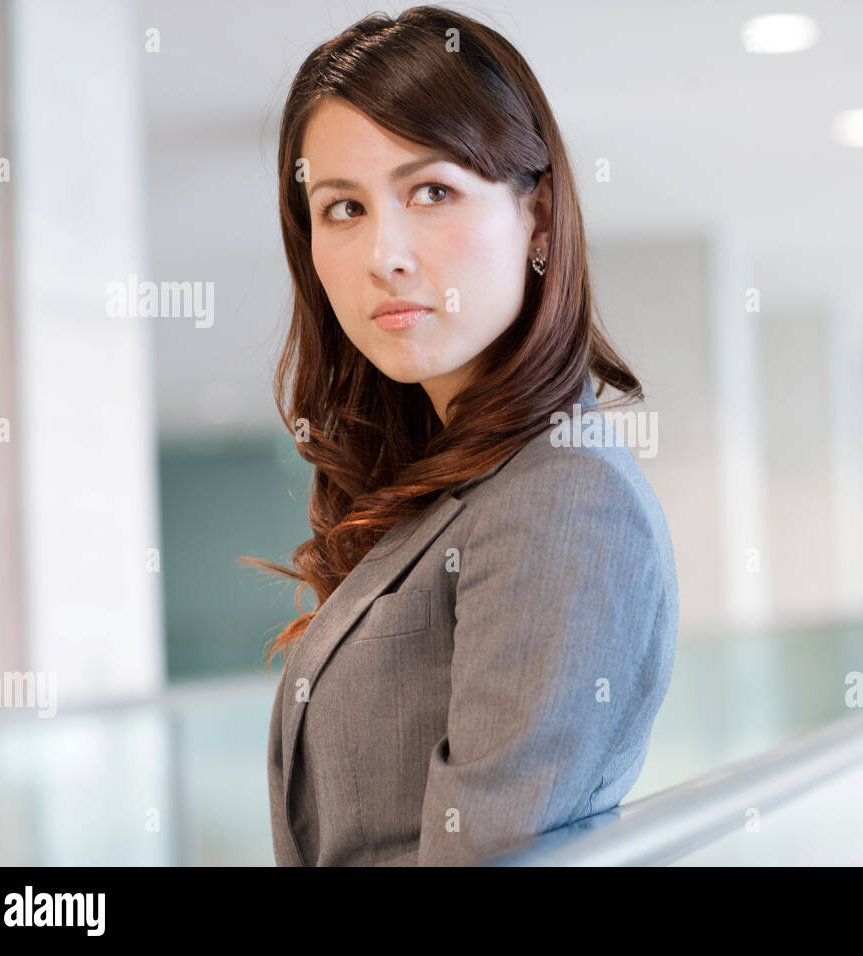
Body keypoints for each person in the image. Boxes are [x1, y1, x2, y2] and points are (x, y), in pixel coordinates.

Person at [242, 6, 679, 866]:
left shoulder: (563, 493)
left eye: (431, 192)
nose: (385, 253)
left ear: (540, 219)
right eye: (342, 208)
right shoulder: (452, 482)